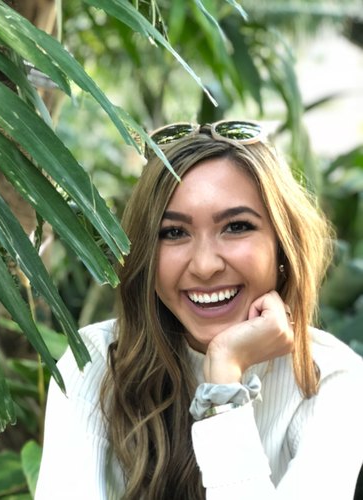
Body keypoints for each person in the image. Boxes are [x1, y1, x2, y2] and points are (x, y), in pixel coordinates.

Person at [35, 121, 363, 500]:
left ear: (282, 245)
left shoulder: (335, 382)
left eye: (236, 227)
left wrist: (224, 386)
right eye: (174, 233)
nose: (205, 266)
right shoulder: (95, 363)